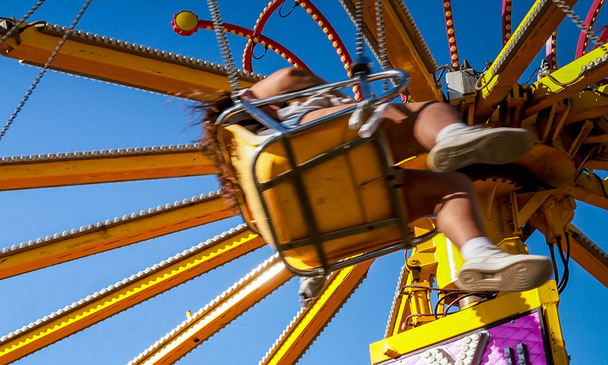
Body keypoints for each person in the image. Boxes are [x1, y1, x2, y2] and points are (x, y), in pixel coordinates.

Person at [199, 66, 553, 293]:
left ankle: (481, 255)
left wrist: (312, 268)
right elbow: (292, 77)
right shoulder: (259, 114)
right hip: (317, 149)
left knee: (447, 189)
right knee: (422, 117)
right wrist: (341, 97)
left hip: (313, 234)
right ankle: (451, 136)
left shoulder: (244, 178)